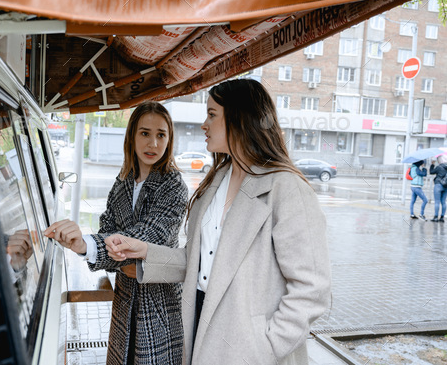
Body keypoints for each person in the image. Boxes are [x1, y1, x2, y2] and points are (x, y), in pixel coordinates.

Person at [105, 79, 331, 365]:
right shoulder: (217, 180)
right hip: (199, 324)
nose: (204, 124)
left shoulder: (286, 188)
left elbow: (312, 288)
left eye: (212, 114)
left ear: (239, 118)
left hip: (249, 348)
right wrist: (146, 252)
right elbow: (198, 263)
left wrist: (265, 347)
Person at [45, 102, 188, 365]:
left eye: (161, 135)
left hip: (158, 305)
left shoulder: (173, 185)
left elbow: (148, 238)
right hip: (124, 301)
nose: (153, 144)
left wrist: (85, 244)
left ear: (169, 139)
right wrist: (122, 263)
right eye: (145, 133)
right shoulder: (123, 181)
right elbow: (109, 233)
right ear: (132, 136)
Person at [429, 155, 447, 222]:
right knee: (443, 202)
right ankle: (442, 217)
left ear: (439, 161)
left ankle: (436, 217)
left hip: (438, 185)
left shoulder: (439, 167)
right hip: (446, 186)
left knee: (437, 202)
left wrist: (432, 164)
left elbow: (431, 172)